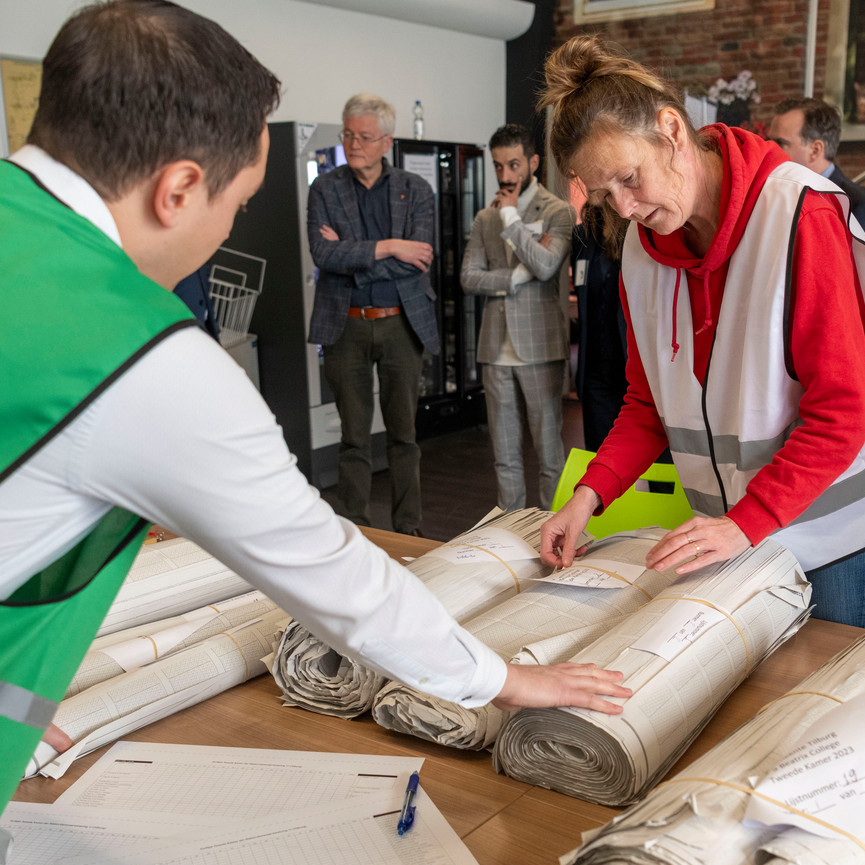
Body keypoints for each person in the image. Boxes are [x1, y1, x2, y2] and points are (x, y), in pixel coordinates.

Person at [0, 0, 627, 822]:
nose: (228, 229)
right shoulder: (140, 355)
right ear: (180, 188)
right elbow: (331, 573)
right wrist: (505, 680)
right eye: (236, 204)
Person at [537, 34, 865, 627]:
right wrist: (585, 498)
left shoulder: (800, 212)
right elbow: (647, 404)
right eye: (606, 196)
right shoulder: (642, 246)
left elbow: (842, 410)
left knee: (813, 690)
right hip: (741, 525)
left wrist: (746, 521)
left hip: (840, 521)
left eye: (630, 179)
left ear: (670, 130)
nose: (627, 209)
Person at [307, 93, 436, 536]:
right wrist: (389, 246)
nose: (353, 144)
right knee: (354, 439)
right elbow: (322, 253)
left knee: (404, 436)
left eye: (363, 137)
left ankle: (408, 529)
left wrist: (353, 255)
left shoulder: (415, 189)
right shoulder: (324, 188)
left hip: (401, 322)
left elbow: (416, 260)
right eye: (347, 135)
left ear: (386, 141)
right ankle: (354, 531)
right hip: (347, 325)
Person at [462, 124, 574, 511]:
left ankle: (554, 532)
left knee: (549, 455)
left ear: (533, 162)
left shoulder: (559, 212)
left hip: (541, 347)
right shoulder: (483, 219)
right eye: (498, 166)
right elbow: (468, 277)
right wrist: (515, 276)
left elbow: (545, 267)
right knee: (505, 456)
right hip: (495, 349)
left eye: (513, 164)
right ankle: (508, 536)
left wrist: (511, 218)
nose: (506, 175)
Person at [768, 97, 865, 333]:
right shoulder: (782, 196)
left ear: (815, 149)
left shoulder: (857, 206)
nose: (769, 150)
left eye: (779, 143)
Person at [572, 201, 630, 450]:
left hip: (637, 374)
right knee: (599, 459)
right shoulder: (583, 237)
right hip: (596, 373)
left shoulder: (641, 231)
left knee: (660, 471)